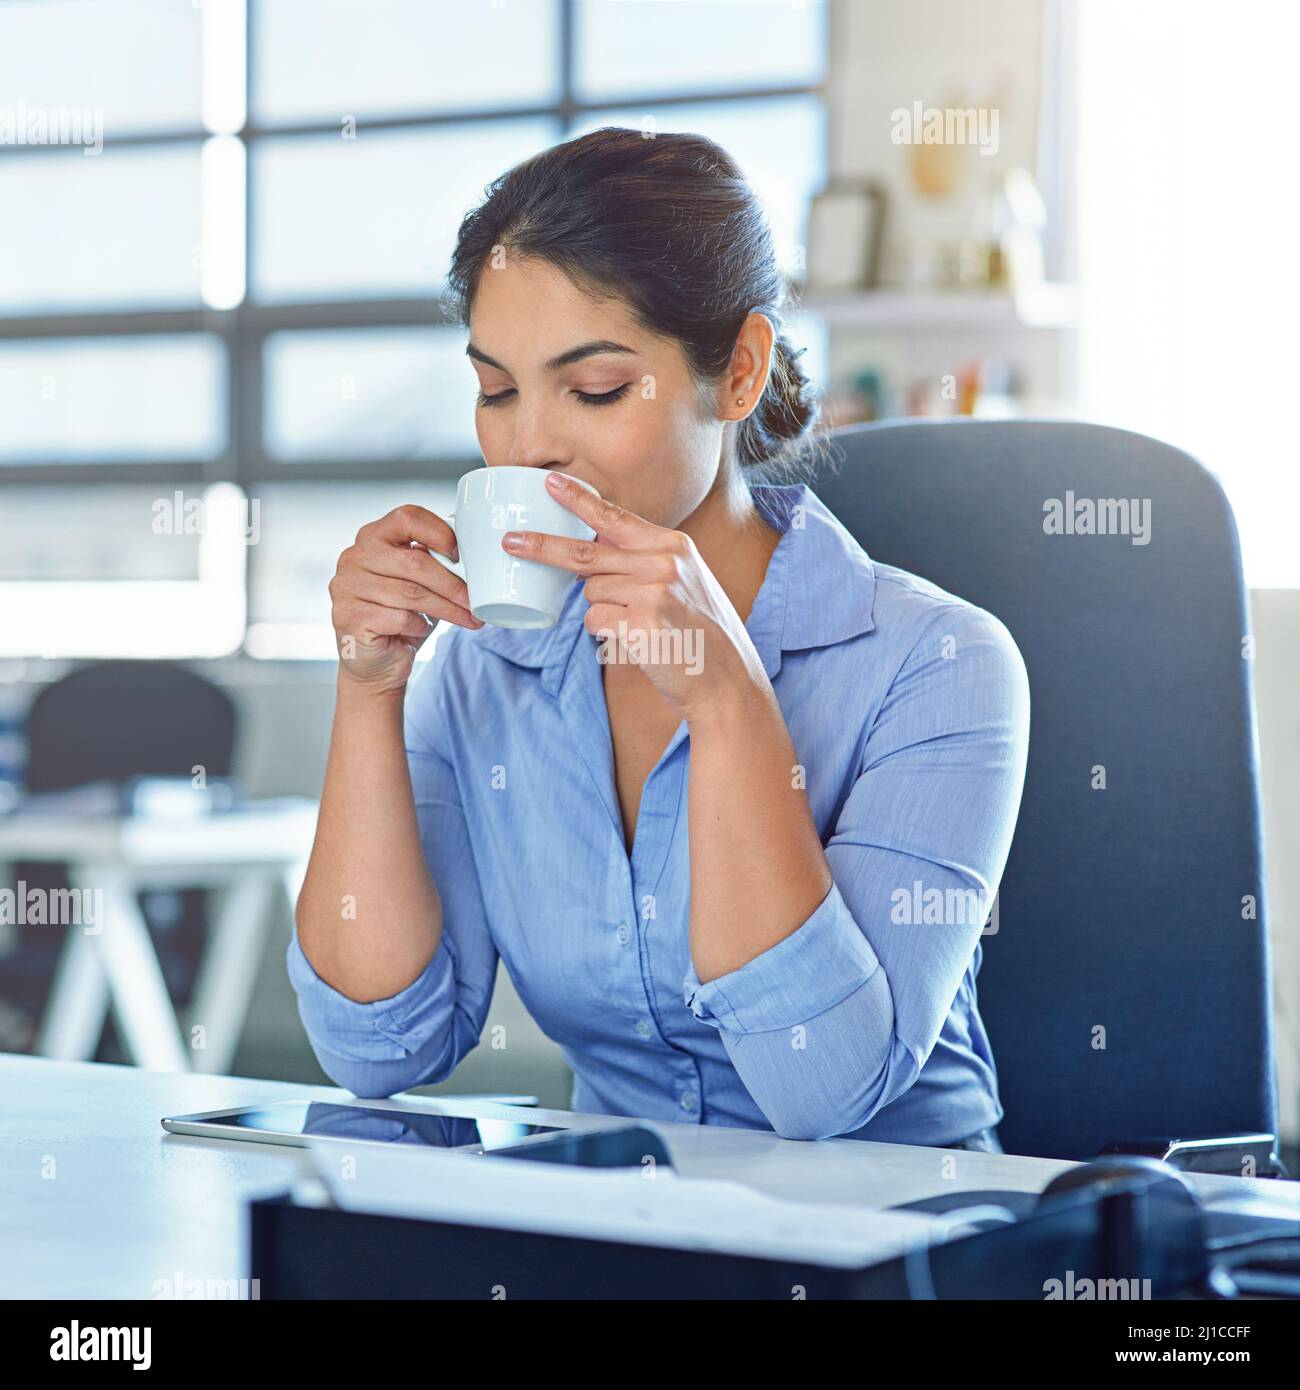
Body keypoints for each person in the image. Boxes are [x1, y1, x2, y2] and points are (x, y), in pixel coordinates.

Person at [289, 127, 1029, 1150]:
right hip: (622, 1235)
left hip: (895, 1236)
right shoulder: (484, 663)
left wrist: (728, 706)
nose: (529, 443)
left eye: (594, 389)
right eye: (496, 390)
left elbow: (823, 1093)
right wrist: (369, 690)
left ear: (736, 375)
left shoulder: (937, 665)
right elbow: (381, 1049)